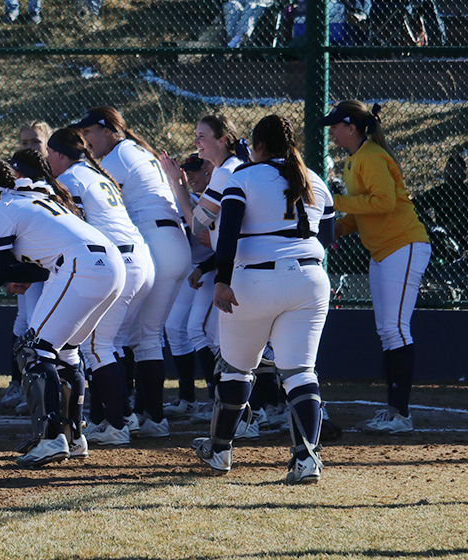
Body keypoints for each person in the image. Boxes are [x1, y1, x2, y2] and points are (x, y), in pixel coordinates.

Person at [0, 158, 124, 467]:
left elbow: (0, 274)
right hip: (110, 263)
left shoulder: (2, 209)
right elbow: (37, 270)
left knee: (34, 350)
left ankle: (51, 439)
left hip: (80, 267)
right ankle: (73, 436)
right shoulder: (33, 199)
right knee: (67, 352)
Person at [192, 114, 335, 483]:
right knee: (300, 371)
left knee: (237, 368)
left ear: (256, 146)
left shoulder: (245, 176)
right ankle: (307, 460)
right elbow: (328, 236)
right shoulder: (315, 180)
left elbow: (228, 233)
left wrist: (221, 281)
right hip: (310, 278)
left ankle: (221, 450)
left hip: (254, 279)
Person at [75, 106, 192, 438]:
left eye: (89, 132)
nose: (86, 140)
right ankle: (152, 418)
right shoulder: (136, 150)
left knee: (110, 338)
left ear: (109, 129)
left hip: (152, 242)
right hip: (174, 242)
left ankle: (115, 418)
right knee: (147, 337)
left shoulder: (118, 156)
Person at [321, 100, 432, 435]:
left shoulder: (370, 156)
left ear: (351, 127)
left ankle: (401, 414)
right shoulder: (354, 161)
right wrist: (339, 226)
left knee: (396, 328)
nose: (332, 132)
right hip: (384, 249)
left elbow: (383, 202)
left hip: (404, 244)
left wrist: (334, 202)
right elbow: (362, 211)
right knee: (387, 330)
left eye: (336, 126)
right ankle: (393, 411)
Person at [45, 128, 153, 447]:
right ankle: (124, 415)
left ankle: (117, 425)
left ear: (60, 154)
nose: (47, 159)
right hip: (140, 260)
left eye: (50, 153)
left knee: (95, 347)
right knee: (110, 344)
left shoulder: (74, 177)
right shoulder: (94, 172)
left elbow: (77, 228)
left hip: (119, 262)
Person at [160, 153, 217, 420]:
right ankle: (187, 397)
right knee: (173, 327)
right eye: (187, 171)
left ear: (210, 171)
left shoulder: (212, 194)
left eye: (196, 170)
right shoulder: (187, 198)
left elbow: (196, 227)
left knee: (198, 329)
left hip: (214, 268)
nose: (190, 176)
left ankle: (217, 396)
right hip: (194, 269)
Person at [1, 121, 53, 411]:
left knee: (44, 326)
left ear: (47, 146)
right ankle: (18, 383)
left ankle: (49, 390)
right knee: (25, 322)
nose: (30, 147)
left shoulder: (59, 177)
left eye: (36, 142)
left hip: (57, 266)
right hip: (30, 266)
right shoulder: (14, 181)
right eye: (24, 143)